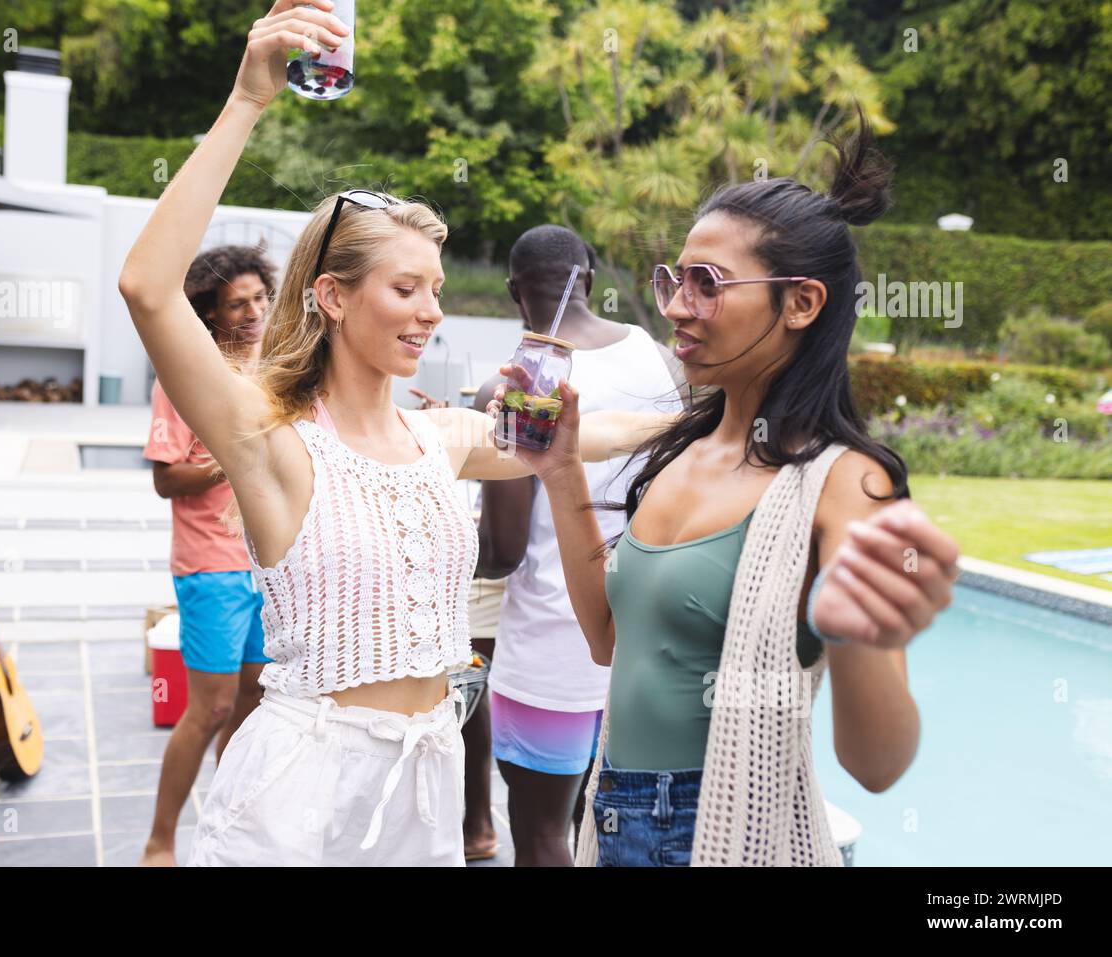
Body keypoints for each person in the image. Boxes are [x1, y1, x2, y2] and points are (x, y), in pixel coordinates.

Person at [118, 0, 676, 866]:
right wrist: (246, 102)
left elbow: (595, 435)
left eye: (437, 287)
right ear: (334, 296)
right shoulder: (271, 442)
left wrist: (717, 412)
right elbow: (148, 287)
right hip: (301, 797)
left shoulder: (444, 435)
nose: (433, 311)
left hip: (427, 786)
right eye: (406, 288)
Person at [487, 110, 961, 867]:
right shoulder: (683, 450)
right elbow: (611, 639)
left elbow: (879, 765)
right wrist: (561, 468)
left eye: (706, 284)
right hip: (614, 819)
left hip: (728, 830)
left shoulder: (847, 484)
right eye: (675, 279)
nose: (676, 306)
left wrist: (853, 631)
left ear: (801, 303)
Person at [471, 225, 683, 866]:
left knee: (542, 835)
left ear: (514, 292)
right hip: (644, 644)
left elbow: (504, 549)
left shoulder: (516, 383)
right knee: (619, 828)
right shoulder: (664, 361)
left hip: (551, 652)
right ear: (589, 278)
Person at [139, 243, 276, 867]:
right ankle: (160, 840)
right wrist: (234, 455)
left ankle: (225, 831)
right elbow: (167, 478)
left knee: (249, 709)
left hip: (268, 563)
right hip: (211, 565)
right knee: (210, 706)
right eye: (235, 304)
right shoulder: (185, 372)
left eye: (258, 298)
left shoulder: (276, 368)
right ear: (210, 314)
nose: (251, 312)